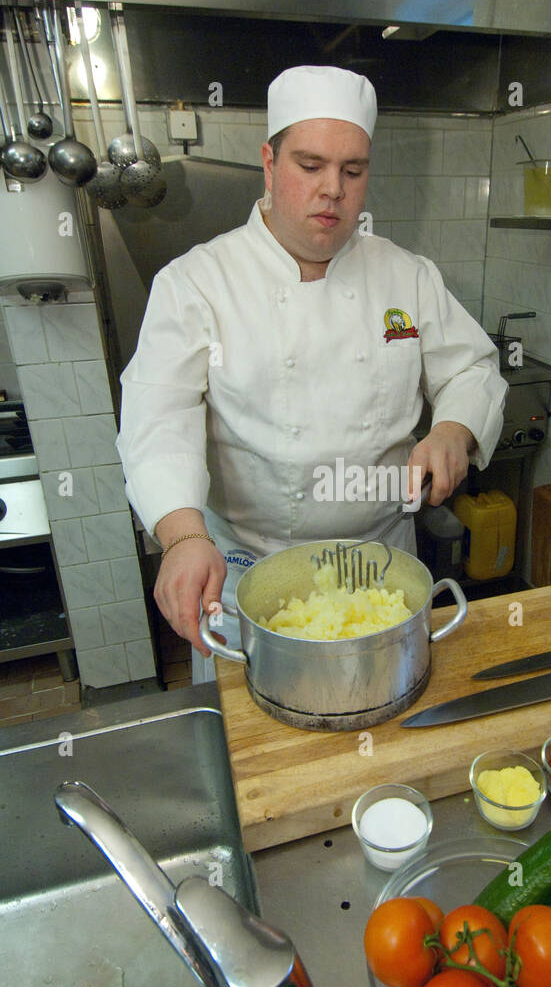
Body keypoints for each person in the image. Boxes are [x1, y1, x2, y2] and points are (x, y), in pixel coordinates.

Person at [116, 65, 507, 682]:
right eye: (310, 165)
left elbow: (473, 368)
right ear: (269, 163)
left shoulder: (406, 277)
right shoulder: (197, 283)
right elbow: (158, 414)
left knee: (383, 722)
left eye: (353, 171)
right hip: (247, 576)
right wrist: (182, 536)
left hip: (381, 575)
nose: (333, 189)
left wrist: (453, 430)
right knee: (254, 758)